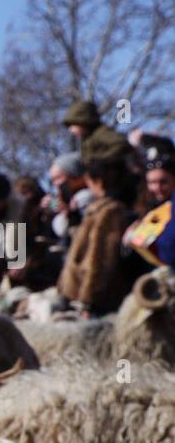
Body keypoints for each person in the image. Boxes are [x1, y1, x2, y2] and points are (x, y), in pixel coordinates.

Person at [58, 129, 135, 316]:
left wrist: (87, 300)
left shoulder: (109, 212)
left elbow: (98, 260)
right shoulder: (98, 209)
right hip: (79, 297)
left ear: (98, 181)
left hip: (95, 304)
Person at [123, 137, 175, 268]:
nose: (157, 188)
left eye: (163, 182)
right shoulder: (142, 209)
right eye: (152, 182)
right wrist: (129, 243)